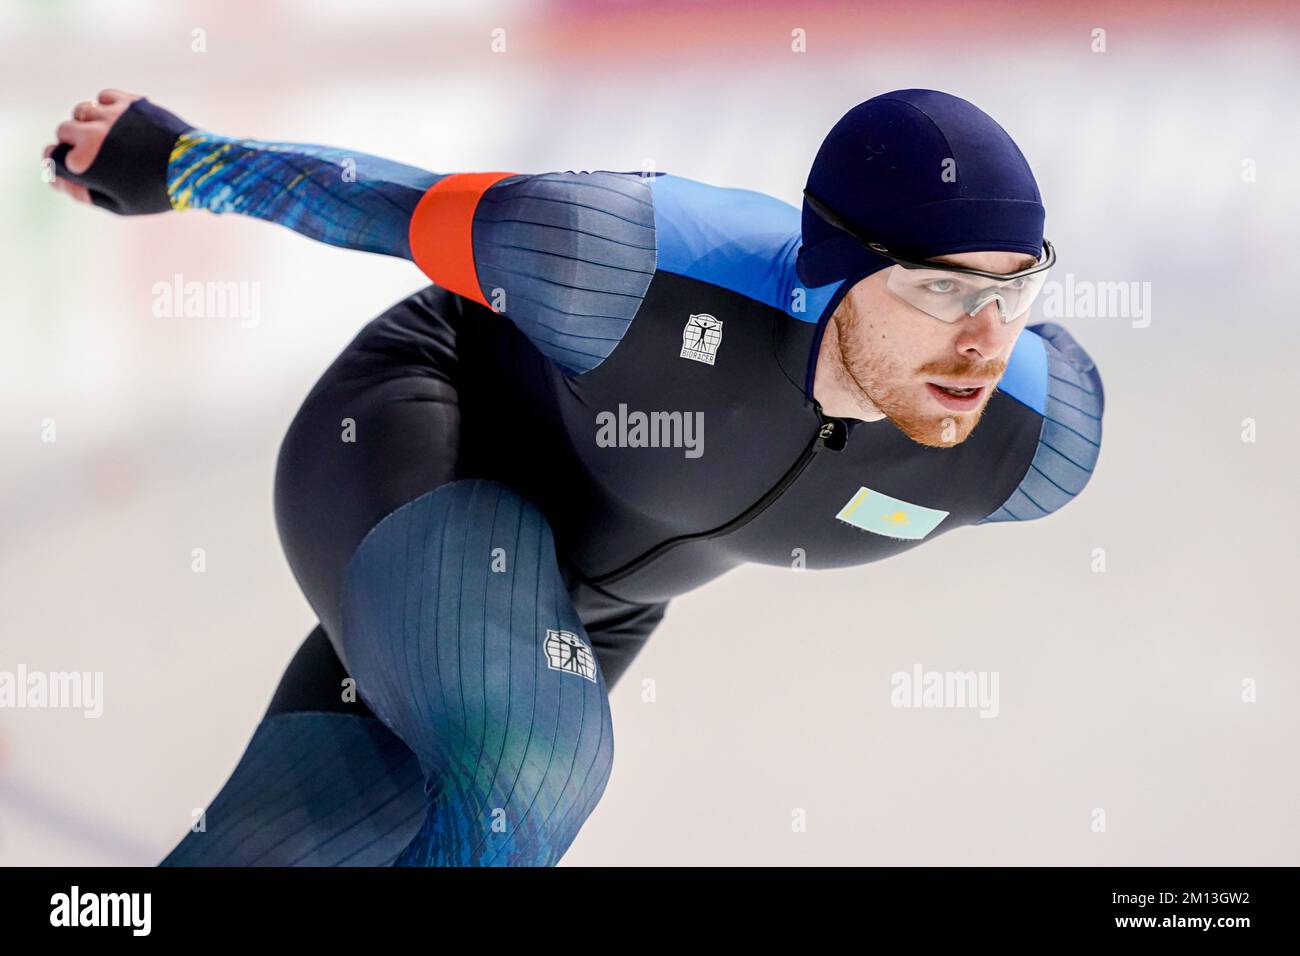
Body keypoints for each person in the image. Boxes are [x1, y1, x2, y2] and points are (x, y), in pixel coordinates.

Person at [45, 87, 1104, 866]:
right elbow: (393, 207)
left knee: (291, 845)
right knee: (531, 770)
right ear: (834, 265)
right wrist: (178, 159)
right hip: (425, 437)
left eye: (1015, 293)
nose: (983, 340)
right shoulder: (624, 263)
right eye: (940, 289)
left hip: (584, 602)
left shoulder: (1029, 443)